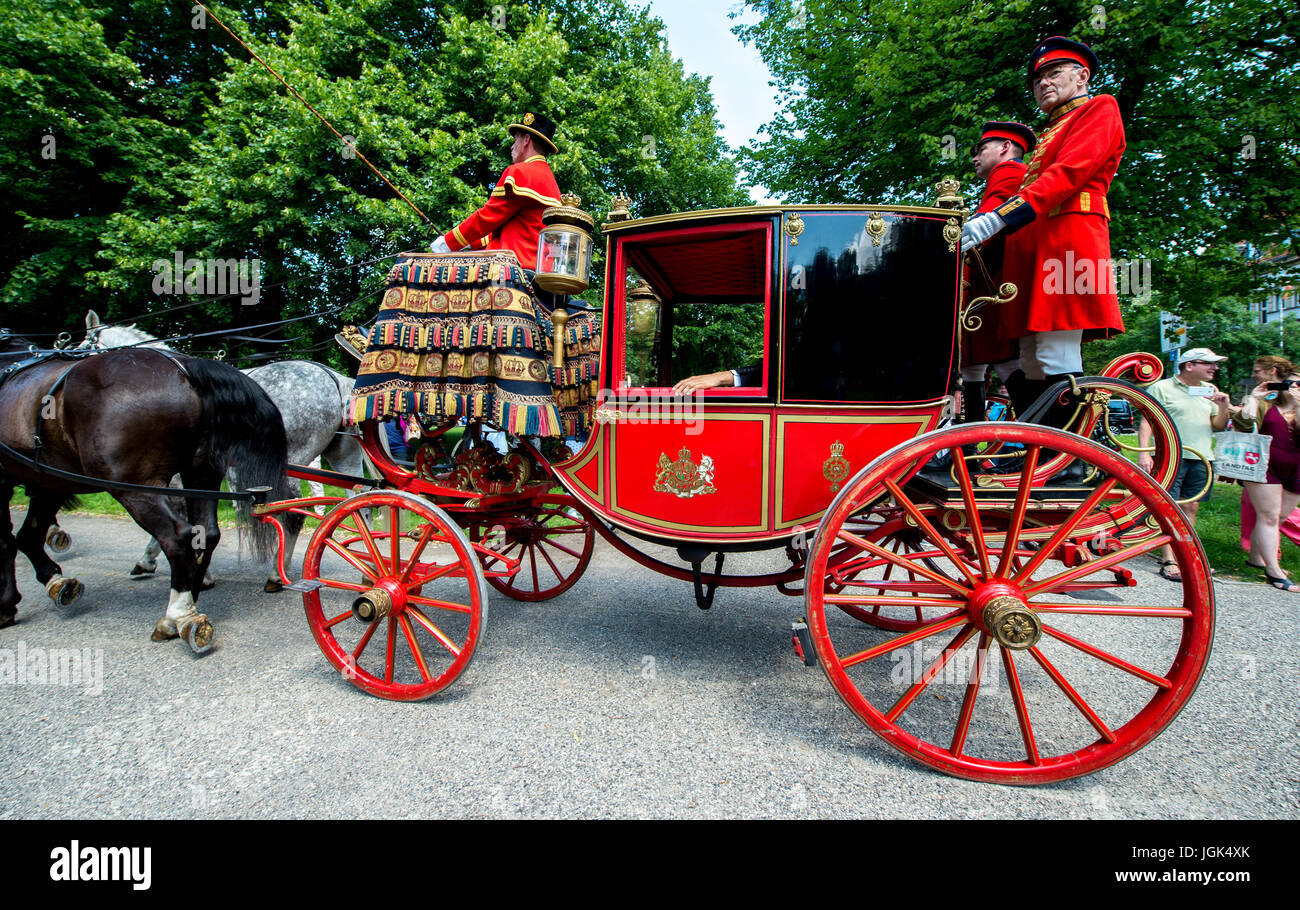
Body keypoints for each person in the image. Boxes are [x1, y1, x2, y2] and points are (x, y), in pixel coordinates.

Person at [960, 36, 1126, 421]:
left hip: (1071, 244)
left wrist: (1000, 216)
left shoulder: (1101, 108)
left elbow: (1069, 174)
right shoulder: (1053, 129)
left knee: (1056, 352)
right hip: (1039, 250)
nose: (1043, 84)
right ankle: (1045, 456)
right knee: (1031, 358)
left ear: (1082, 76)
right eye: (1037, 80)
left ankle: (1066, 459)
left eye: (1053, 73)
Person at [960, 121, 1036, 422]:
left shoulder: (1007, 172)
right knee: (979, 360)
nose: (975, 157)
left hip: (997, 283)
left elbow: (987, 223)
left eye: (980, 149)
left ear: (1005, 148)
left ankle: (1042, 440)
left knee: (1002, 358)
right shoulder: (1012, 174)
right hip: (992, 280)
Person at [1138, 348, 1232, 582]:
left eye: (1215, 364)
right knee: (1169, 506)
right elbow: (1147, 422)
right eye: (1209, 363)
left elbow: (1218, 426)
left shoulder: (1209, 391)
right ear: (1189, 365)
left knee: (1191, 508)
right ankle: (1169, 559)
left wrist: (1223, 406)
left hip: (1201, 457)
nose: (1215, 368)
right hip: (1172, 456)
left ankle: (1185, 557)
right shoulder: (1162, 388)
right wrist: (1145, 453)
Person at [430, 112, 562, 271]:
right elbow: (513, 228)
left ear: (526, 140)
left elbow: (488, 217)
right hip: (538, 268)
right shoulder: (551, 182)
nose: (512, 146)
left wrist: (449, 242)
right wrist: (470, 243)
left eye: (516, 140)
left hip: (511, 266)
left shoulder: (520, 172)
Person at [1234, 363, 1300, 592]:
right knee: (1269, 517)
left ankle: (1256, 557)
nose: (1293, 388)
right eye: (1289, 384)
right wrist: (1253, 398)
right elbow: (1243, 424)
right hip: (1263, 465)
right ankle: (1274, 570)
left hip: (1296, 468)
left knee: (1279, 517)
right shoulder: (1267, 405)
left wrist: (1298, 405)